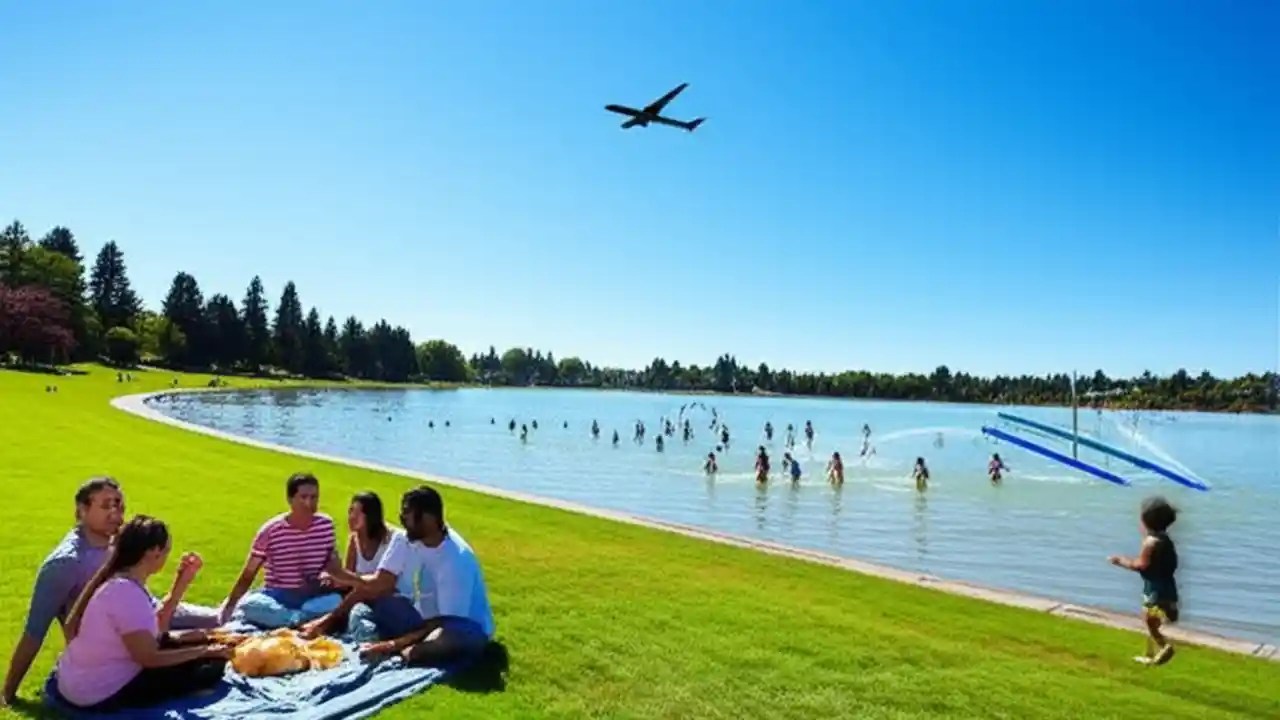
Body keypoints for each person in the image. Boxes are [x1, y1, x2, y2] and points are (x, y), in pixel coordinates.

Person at [3, 478, 217, 706]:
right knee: (211, 641)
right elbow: (35, 631)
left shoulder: (117, 552)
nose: (116, 513)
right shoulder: (65, 564)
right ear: (82, 510)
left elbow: (149, 623)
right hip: (113, 657)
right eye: (106, 506)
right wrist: (8, 692)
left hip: (137, 626)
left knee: (214, 626)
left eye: (120, 506)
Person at [54, 516, 234, 711]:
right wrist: (203, 651)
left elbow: (158, 633)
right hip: (98, 692)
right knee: (210, 666)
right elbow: (149, 657)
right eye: (166, 551)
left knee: (202, 649)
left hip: (80, 683)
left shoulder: (124, 583)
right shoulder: (125, 592)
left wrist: (181, 584)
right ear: (153, 552)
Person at [358, 486, 495, 667]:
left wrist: (393, 645)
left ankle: (403, 649)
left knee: (421, 650)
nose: (402, 519)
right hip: (424, 621)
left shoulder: (454, 562)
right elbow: (381, 582)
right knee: (383, 603)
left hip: (463, 627)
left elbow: (445, 622)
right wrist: (343, 577)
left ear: (427, 518)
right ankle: (402, 645)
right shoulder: (411, 539)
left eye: (406, 513)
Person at [218, 473, 346, 628]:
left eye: (314, 497)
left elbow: (332, 559)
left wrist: (327, 574)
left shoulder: (325, 525)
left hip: (312, 595)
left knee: (337, 601)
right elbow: (248, 573)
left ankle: (291, 620)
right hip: (278, 595)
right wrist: (231, 604)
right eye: (303, 497)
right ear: (290, 500)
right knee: (249, 604)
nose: (309, 503)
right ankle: (299, 620)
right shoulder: (270, 531)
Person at [1109, 496, 1180, 666]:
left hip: (1154, 589)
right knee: (1153, 617)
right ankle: (1149, 653)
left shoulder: (1150, 542)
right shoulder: (1166, 540)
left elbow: (1141, 565)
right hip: (1169, 587)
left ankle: (1164, 646)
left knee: (1149, 621)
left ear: (1145, 521)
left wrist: (1121, 561)